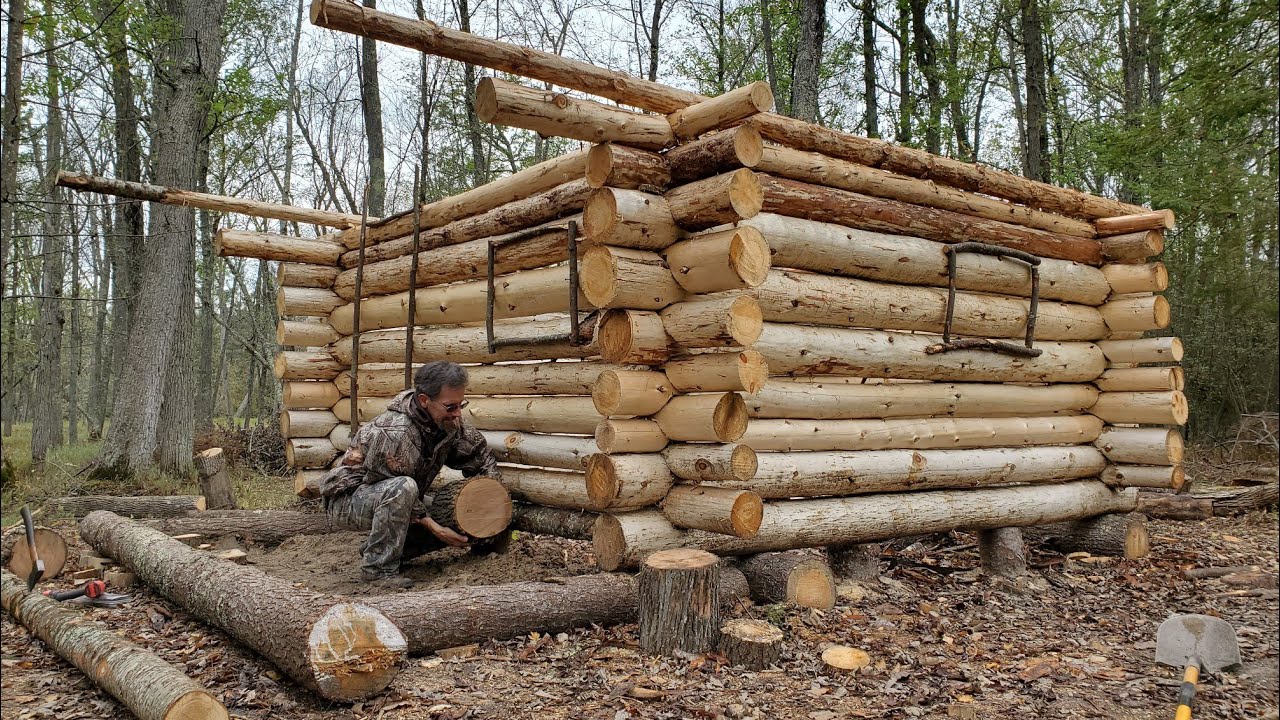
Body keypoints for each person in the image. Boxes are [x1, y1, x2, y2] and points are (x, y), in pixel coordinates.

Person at [319, 360, 501, 588]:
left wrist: (494, 497)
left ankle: (380, 549)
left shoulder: (448, 421)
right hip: (349, 499)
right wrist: (435, 528)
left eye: (460, 405)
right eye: (450, 407)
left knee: (452, 511)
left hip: (396, 494)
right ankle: (378, 569)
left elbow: (480, 454)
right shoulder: (395, 430)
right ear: (424, 400)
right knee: (404, 488)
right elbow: (392, 489)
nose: (457, 413)